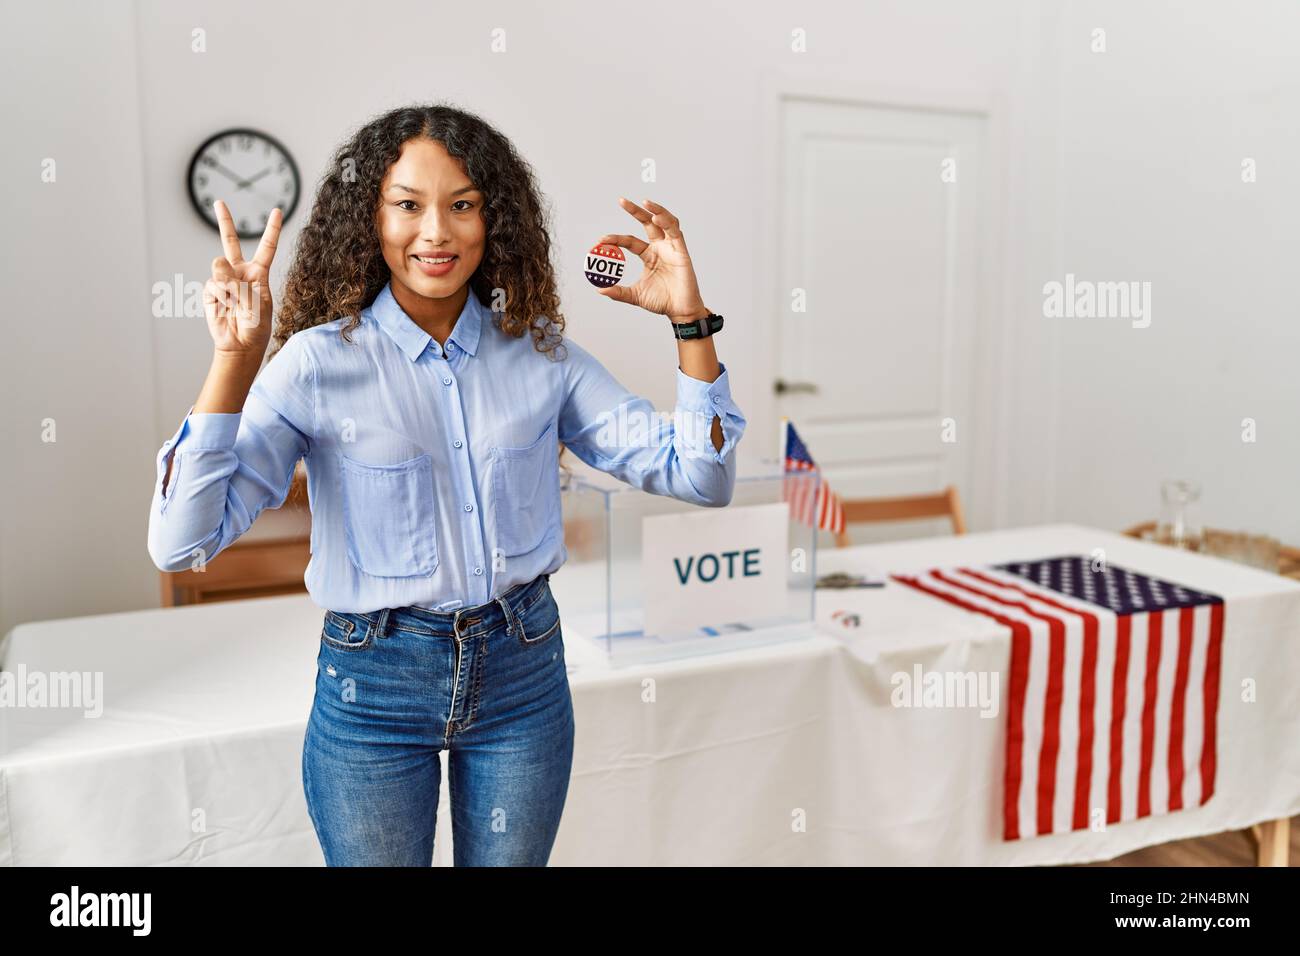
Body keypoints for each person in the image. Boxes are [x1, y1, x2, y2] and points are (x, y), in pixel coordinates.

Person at [146, 104, 748, 866]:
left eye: (462, 205)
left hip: (522, 678)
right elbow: (180, 542)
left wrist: (691, 322)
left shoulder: (542, 354)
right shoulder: (312, 364)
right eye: (408, 205)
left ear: (494, 221)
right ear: (370, 218)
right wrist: (235, 360)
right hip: (375, 685)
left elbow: (703, 475)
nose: (436, 232)